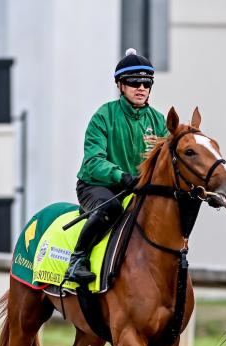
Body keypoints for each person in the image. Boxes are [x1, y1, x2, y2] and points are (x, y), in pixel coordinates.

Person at [64, 48, 169, 285]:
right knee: (111, 207)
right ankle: (78, 259)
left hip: (138, 188)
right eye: (134, 82)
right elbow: (93, 162)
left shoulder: (159, 121)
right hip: (97, 186)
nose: (141, 88)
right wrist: (122, 177)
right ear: (120, 85)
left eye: (146, 82)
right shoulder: (103, 116)